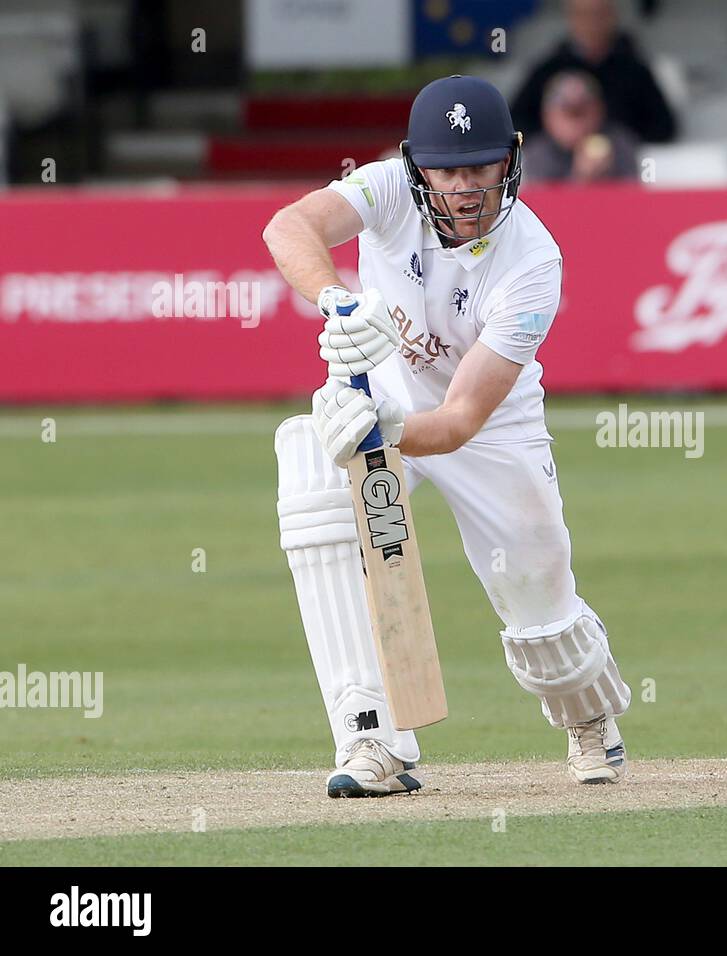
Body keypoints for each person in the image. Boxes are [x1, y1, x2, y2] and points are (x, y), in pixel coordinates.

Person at [262, 75, 630, 797]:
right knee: (312, 472)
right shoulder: (386, 190)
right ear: (415, 166)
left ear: (512, 159)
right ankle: (371, 738)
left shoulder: (533, 261)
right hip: (385, 386)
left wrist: (387, 432)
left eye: (482, 166)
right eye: (448, 169)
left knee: (534, 589)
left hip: (491, 427)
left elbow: (461, 420)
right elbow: (289, 227)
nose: (465, 186)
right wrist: (335, 299)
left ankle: (589, 716)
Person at [511, 0, 676, 144]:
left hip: (623, 169)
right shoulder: (547, 70)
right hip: (557, 169)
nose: (592, 22)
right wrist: (557, 137)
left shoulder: (636, 71)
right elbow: (516, 123)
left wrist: (616, 140)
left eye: (599, 14)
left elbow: (664, 127)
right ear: (571, 18)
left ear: (613, 16)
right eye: (583, 14)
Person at [525, 71, 640, 183]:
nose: (575, 124)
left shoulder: (619, 143)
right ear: (548, 115)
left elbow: (634, 195)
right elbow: (540, 200)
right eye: (568, 113)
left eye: (582, 112)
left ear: (599, 111)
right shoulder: (538, 152)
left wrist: (606, 175)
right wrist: (580, 177)